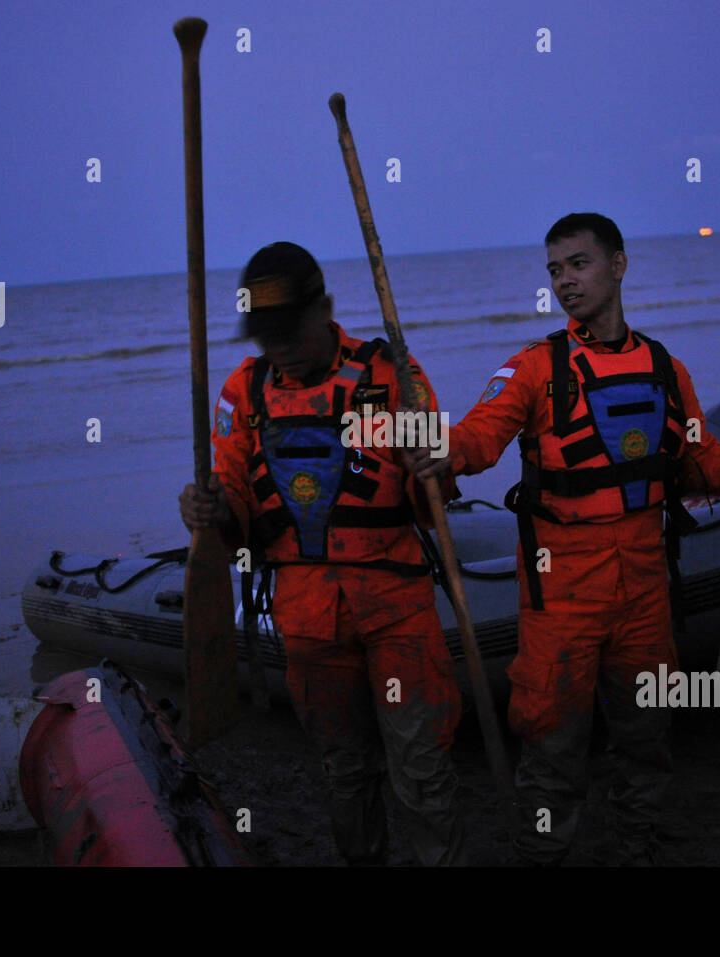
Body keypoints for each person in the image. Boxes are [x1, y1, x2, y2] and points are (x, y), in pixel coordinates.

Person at [408, 213, 720, 865]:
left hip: (645, 593)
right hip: (561, 598)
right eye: (554, 270)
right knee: (553, 742)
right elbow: (478, 437)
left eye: (578, 263)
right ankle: (544, 852)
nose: (565, 281)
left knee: (647, 738)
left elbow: (702, 465)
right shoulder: (534, 368)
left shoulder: (665, 370)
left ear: (618, 265)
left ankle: (636, 844)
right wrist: (438, 449)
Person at [179, 241, 467, 866]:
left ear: (326, 309)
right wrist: (212, 511)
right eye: (264, 332)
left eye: (288, 328)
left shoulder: (393, 376)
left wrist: (434, 463)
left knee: (421, 768)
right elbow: (234, 504)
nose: (276, 344)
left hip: (397, 612)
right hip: (307, 622)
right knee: (344, 771)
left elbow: (440, 497)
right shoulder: (242, 394)